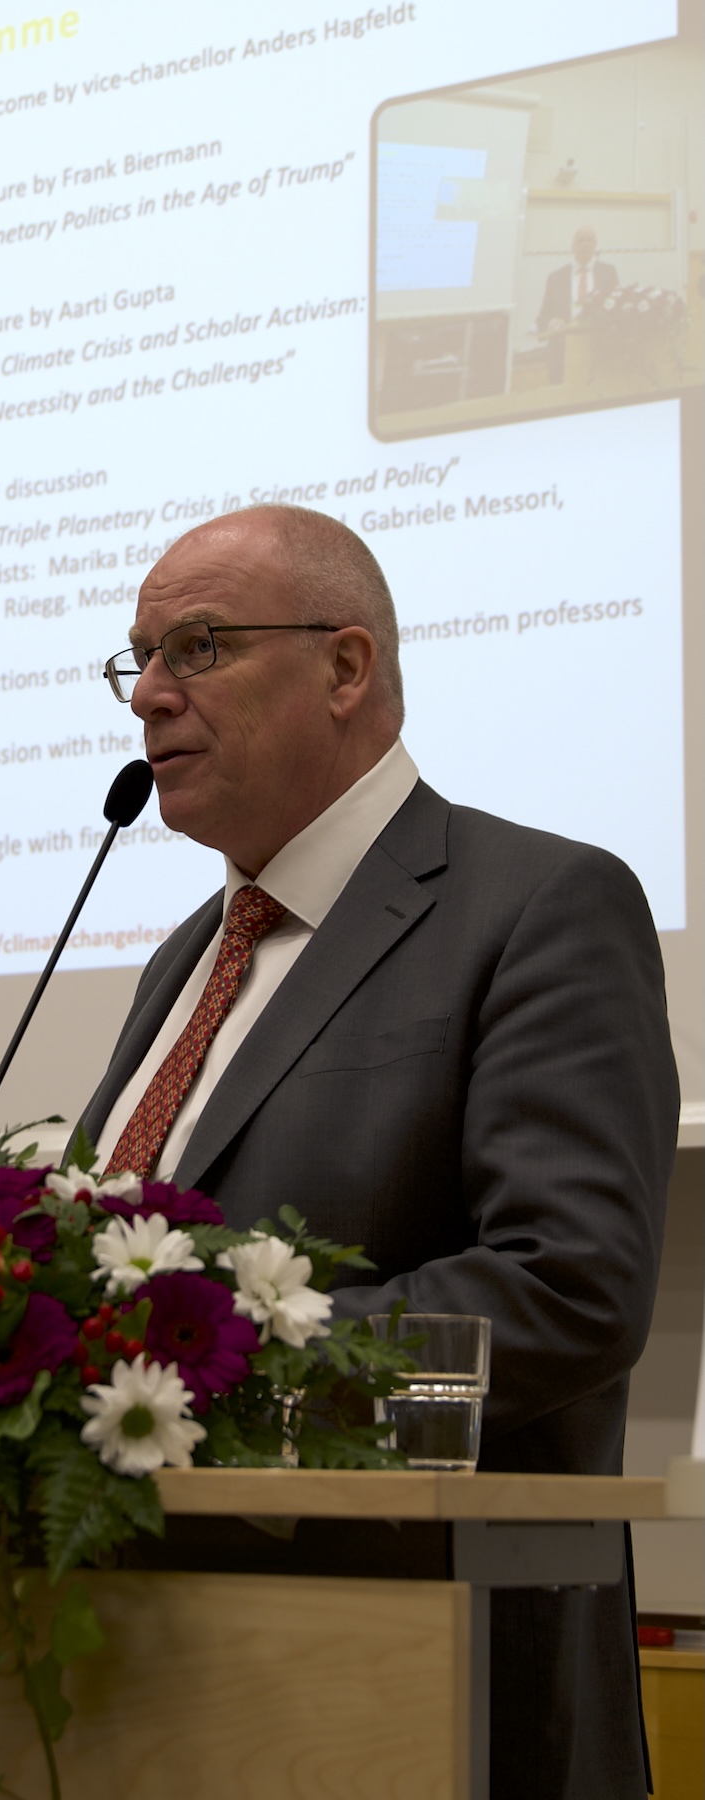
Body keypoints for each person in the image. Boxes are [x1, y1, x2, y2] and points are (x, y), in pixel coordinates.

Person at [80, 506, 676, 1800]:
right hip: (149, 1684)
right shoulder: (186, 956)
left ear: (344, 668)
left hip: (424, 1683)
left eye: (196, 647)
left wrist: (225, 1394)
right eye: (133, 659)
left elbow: (566, 1293)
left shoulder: (536, 910)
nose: (147, 698)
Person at [535, 225, 619, 381]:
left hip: (599, 352)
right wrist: (552, 322)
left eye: (589, 240)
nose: (584, 244)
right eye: (580, 241)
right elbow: (542, 318)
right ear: (572, 247)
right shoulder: (556, 278)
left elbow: (616, 311)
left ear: (596, 245)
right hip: (562, 355)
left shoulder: (609, 273)